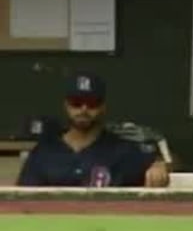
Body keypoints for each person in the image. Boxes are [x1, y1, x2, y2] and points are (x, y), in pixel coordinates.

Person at [17, 74, 171, 188]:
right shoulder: (44, 152)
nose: (83, 109)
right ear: (66, 106)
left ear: (103, 107)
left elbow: (172, 163)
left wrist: (159, 165)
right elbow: (24, 198)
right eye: (76, 103)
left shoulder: (122, 150)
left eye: (92, 103)